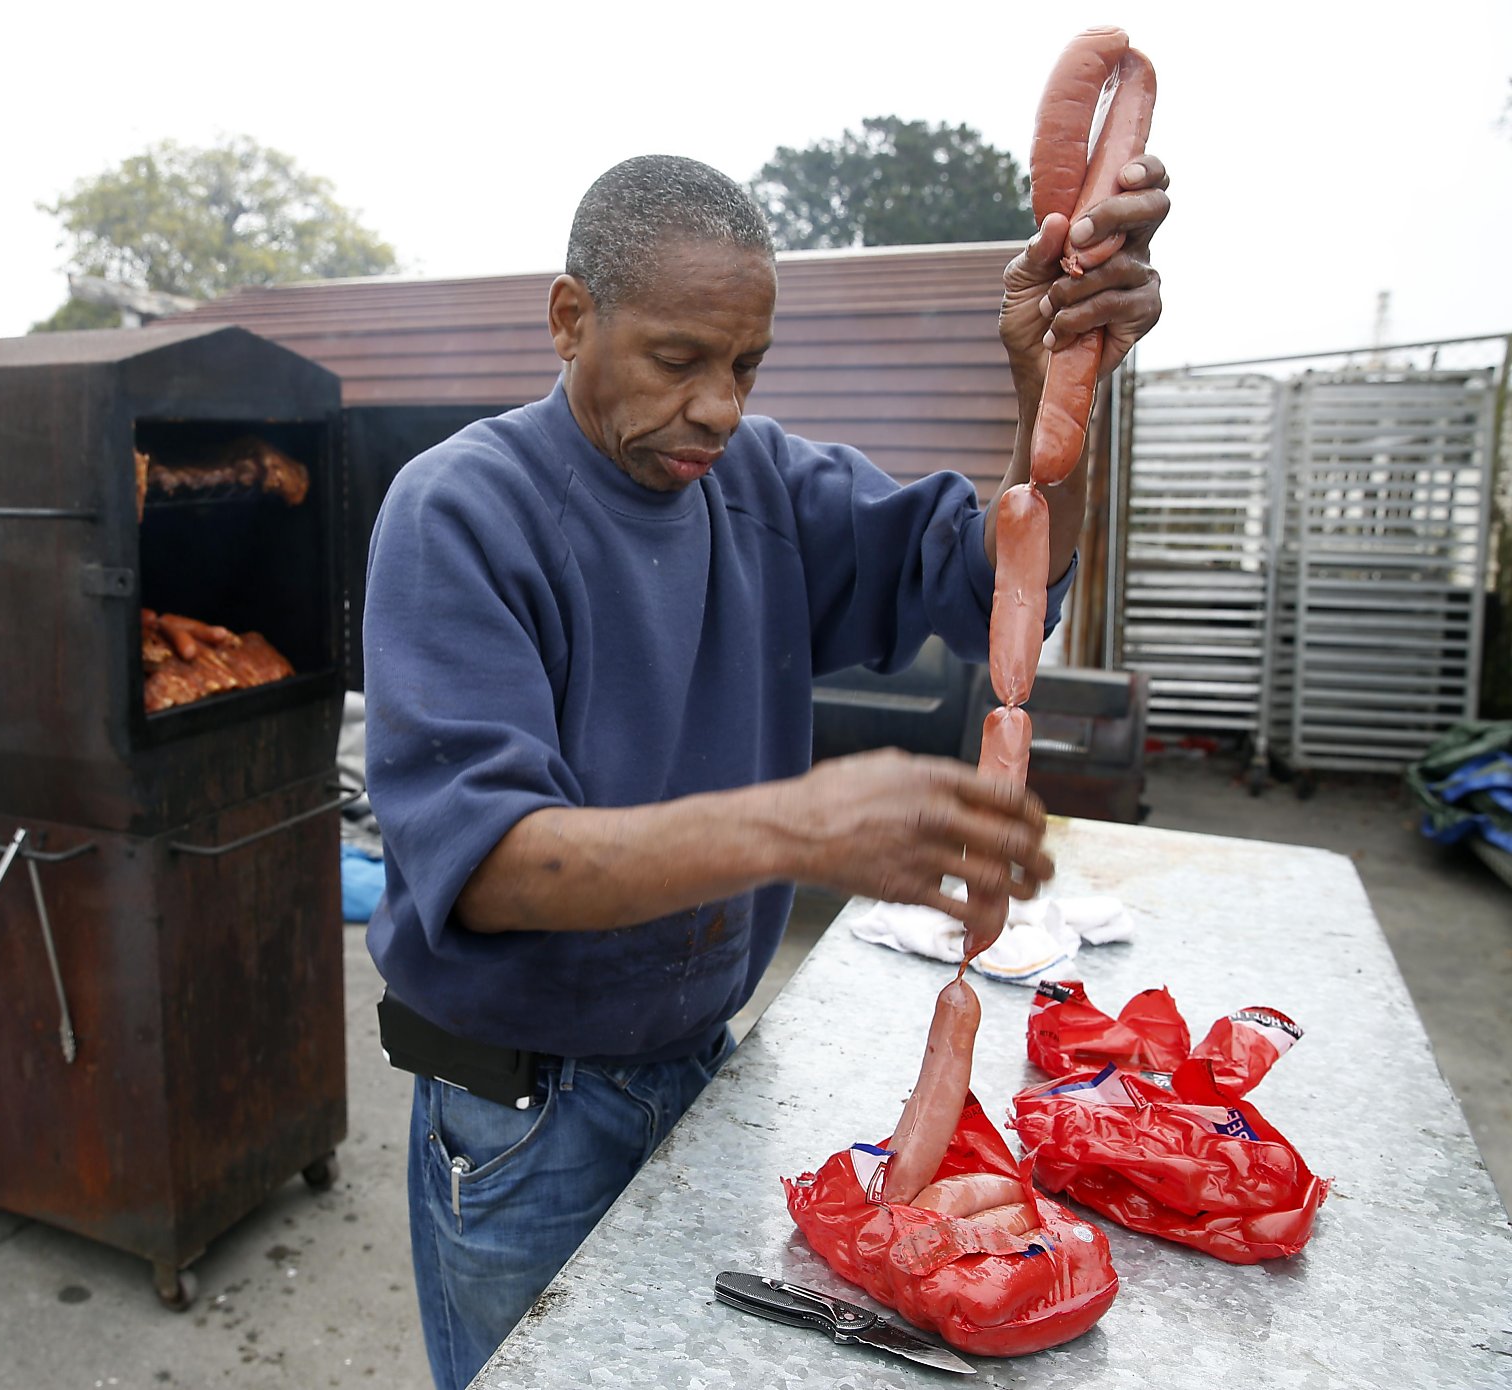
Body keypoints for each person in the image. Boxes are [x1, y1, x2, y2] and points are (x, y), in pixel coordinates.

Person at [361, 153, 1168, 1390]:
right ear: (571, 318)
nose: (718, 409)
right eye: (678, 359)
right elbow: (491, 864)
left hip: (702, 1066)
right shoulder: (462, 511)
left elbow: (992, 572)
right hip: (524, 1120)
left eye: (744, 366)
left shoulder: (761, 488)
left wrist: (1057, 385)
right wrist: (794, 825)